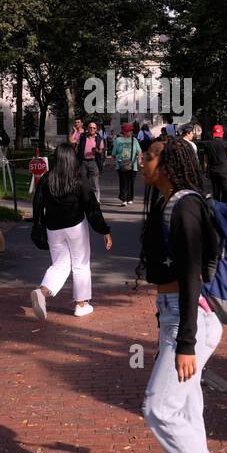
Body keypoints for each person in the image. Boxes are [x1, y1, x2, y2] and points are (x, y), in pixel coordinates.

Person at [138, 136, 227, 453]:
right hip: (175, 315)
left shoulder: (185, 207)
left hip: (189, 321)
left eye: (149, 157)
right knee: (185, 410)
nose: (142, 162)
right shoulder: (169, 203)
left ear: (167, 165)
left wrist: (185, 342)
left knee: (159, 408)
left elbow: (191, 278)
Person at [30, 143, 112, 320]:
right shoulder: (78, 179)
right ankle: (81, 304)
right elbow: (92, 207)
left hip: (53, 229)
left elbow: (37, 204)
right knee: (80, 264)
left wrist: (38, 224)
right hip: (75, 226)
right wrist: (104, 230)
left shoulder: (46, 179)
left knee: (59, 264)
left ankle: (42, 292)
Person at [201, 125, 227, 203]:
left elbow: (205, 160)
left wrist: (205, 171)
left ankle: (217, 208)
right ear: (222, 133)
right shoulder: (226, 144)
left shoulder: (208, 144)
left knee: (216, 191)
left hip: (213, 171)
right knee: (225, 191)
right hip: (223, 171)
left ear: (213, 133)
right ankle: (224, 205)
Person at [75, 120, 105, 203]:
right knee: (83, 181)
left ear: (96, 129)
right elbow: (75, 144)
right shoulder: (82, 137)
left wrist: (97, 151)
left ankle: (96, 200)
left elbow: (101, 151)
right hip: (83, 161)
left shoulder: (99, 138)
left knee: (94, 182)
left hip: (94, 161)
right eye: (90, 127)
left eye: (93, 128)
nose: (92, 129)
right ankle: (84, 199)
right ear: (87, 128)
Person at [113, 122, 143, 206]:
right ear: (124, 132)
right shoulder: (118, 140)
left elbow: (139, 151)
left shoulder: (134, 140)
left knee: (131, 182)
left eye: (131, 131)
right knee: (123, 182)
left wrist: (140, 159)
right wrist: (114, 161)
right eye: (129, 131)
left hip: (133, 165)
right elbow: (114, 153)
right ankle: (124, 199)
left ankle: (130, 198)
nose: (130, 132)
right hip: (121, 165)